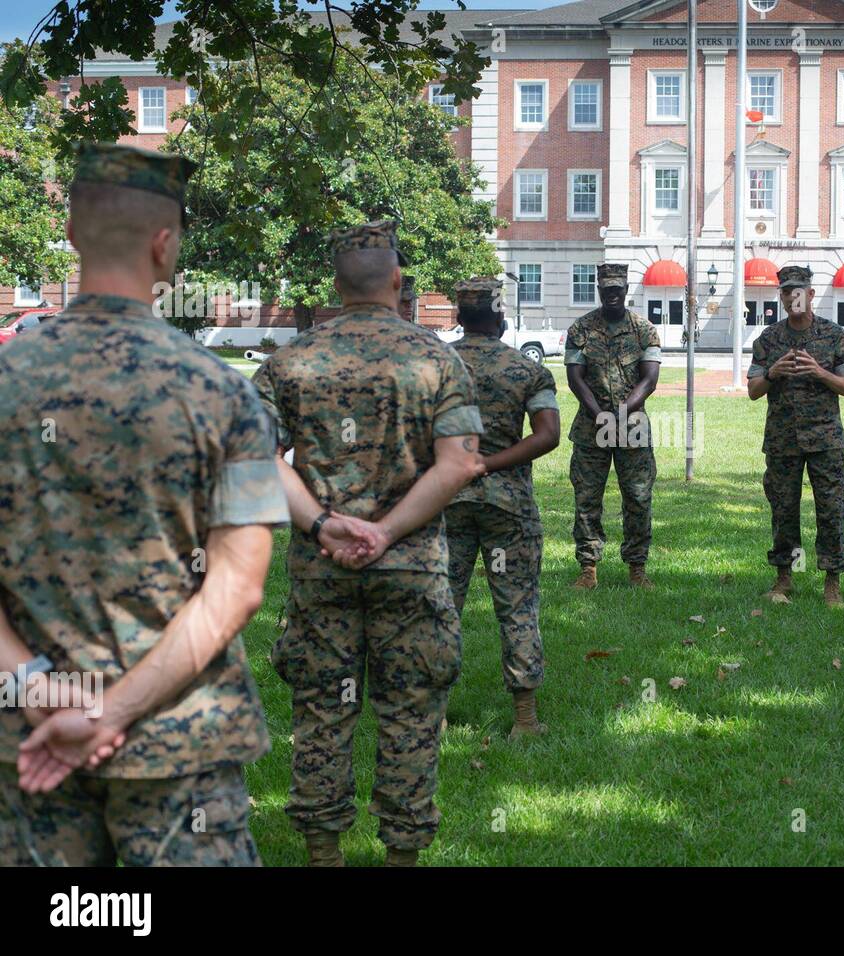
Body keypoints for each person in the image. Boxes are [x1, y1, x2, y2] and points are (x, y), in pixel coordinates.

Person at [0, 142, 288, 866]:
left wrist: (33, 686)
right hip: (178, 737)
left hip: (21, 739)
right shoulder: (223, 392)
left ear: (71, 235)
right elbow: (239, 585)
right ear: (165, 247)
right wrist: (113, 711)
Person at [252, 219, 485, 867]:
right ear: (398, 281)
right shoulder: (437, 358)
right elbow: (460, 463)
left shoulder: (290, 360)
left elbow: (254, 457)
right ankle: (402, 856)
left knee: (322, 715)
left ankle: (323, 854)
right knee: (410, 715)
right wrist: (384, 532)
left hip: (322, 569)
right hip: (409, 571)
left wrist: (325, 525)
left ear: (334, 285)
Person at [444, 277, 560, 738]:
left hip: (443, 502)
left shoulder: (435, 366)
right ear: (500, 317)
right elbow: (548, 434)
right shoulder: (525, 369)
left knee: (440, 608)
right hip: (507, 505)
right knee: (517, 606)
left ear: (458, 317)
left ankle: (433, 717)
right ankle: (525, 720)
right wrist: (489, 464)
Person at [747, 265, 844, 605]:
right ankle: (786, 578)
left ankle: (832, 582)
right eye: (786, 292)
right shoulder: (768, 339)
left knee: (829, 509)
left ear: (810, 295)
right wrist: (772, 372)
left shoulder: (834, 335)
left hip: (825, 439)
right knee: (784, 509)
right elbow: (753, 390)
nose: (793, 297)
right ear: (781, 297)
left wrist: (820, 372)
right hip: (783, 440)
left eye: (799, 291)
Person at [566, 262, 661, 590]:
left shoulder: (644, 329)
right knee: (587, 496)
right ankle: (588, 567)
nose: (612, 296)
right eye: (606, 290)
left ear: (625, 290)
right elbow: (575, 380)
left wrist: (621, 412)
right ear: (599, 290)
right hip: (591, 429)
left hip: (632, 427)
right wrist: (599, 414)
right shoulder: (581, 329)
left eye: (617, 290)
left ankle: (637, 567)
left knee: (637, 496)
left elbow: (649, 380)